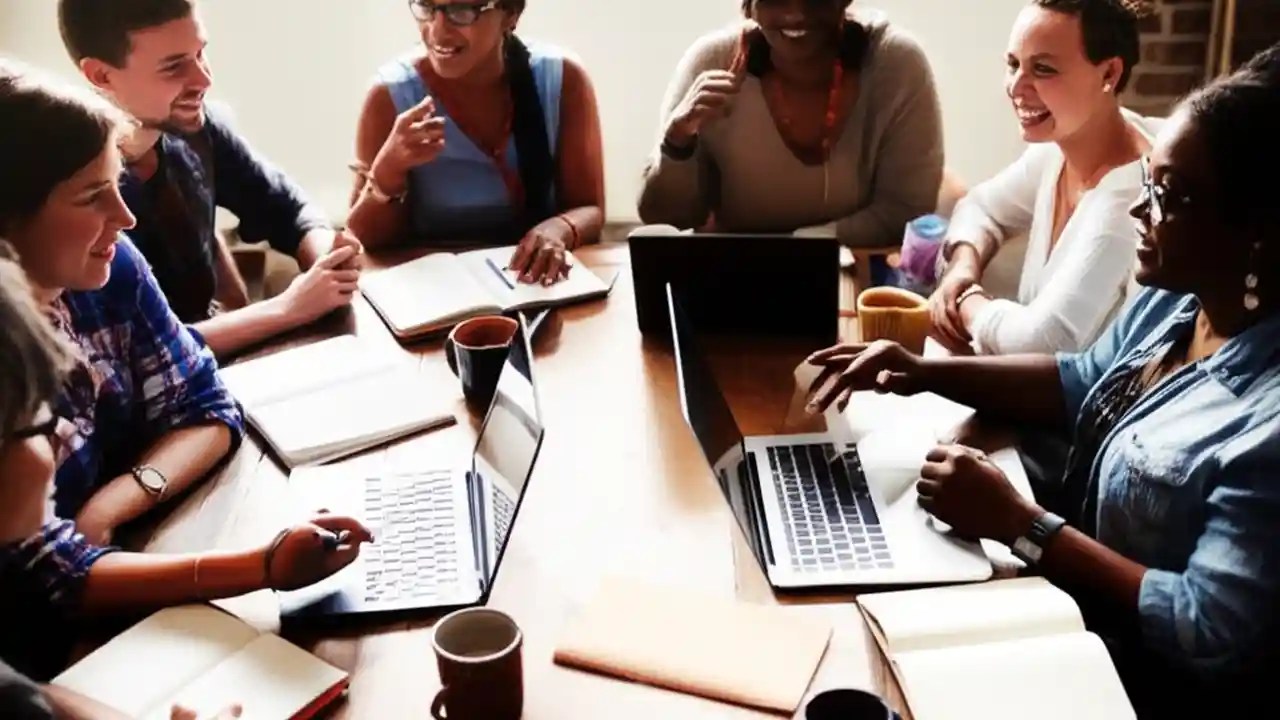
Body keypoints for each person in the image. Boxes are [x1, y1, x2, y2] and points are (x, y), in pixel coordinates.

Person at [804, 41, 1280, 716]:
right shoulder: (1181, 300)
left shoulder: (1268, 422)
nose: (1140, 210)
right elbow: (1084, 381)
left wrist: (1019, 522)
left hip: (1131, 688)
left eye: (1170, 195)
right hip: (1062, 618)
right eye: (1148, 182)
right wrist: (922, 373)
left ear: (1257, 232)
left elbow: (1207, 628)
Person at [0, 61, 373, 682]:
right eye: (93, 196)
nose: (126, 217)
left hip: (118, 582)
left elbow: (205, 401)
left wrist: (109, 505)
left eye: (117, 184)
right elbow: (49, 575)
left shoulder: (108, 267)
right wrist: (260, 566)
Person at [57, 0, 363, 359]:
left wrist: (327, 256)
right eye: (174, 67)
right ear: (101, 75)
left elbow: (287, 208)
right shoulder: (69, 192)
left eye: (200, 54)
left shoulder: (200, 128)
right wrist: (289, 308)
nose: (204, 79)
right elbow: (136, 354)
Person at [637, 0, 944, 282]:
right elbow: (663, 216)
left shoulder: (897, 64)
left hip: (852, 285)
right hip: (732, 283)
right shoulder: (712, 60)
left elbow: (904, 211)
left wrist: (800, 249)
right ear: (748, 6)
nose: (797, 13)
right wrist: (677, 142)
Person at [928, 0, 1160, 356]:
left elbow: (1041, 342)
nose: (1016, 87)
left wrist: (966, 300)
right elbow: (980, 207)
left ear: (1110, 74)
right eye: (1013, 65)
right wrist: (963, 266)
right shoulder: (1060, 146)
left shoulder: (1131, 195)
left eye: (1044, 69)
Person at [347, 0, 605, 285]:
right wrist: (388, 172)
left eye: (461, 11)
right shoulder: (390, 97)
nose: (438, 30)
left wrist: (559, 229)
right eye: (426, 7)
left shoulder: (563, 80)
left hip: (532, 283)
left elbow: (590, 210)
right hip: (431, 292)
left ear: (511, 13)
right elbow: (363, 240)